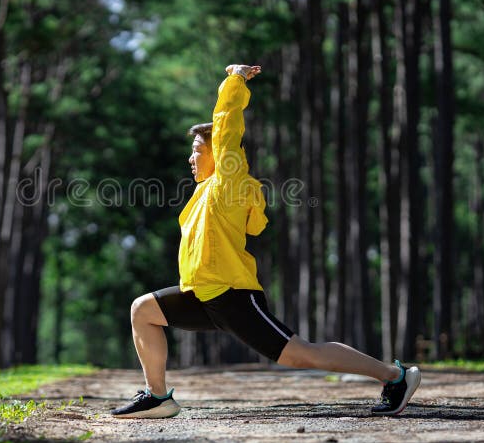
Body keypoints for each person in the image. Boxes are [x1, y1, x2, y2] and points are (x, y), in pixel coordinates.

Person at [111, 64, 421, 419]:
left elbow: (227, 126)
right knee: (143, 310)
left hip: (232, 297)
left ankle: (395, 376)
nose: (190, 157)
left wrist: (235, 80)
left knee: (304, 354)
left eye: (197, 149)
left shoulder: (228, 182)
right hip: (202, 294)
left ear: (218, 154)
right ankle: (157, 396)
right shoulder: (204, 193)